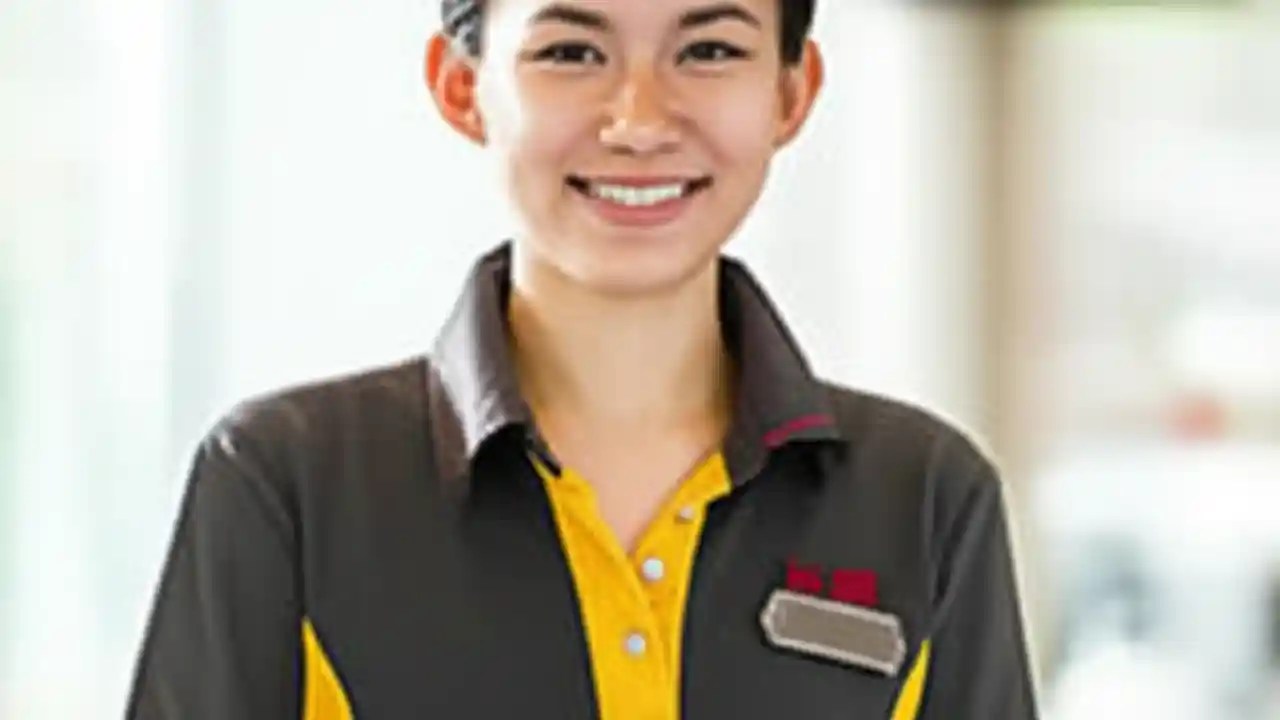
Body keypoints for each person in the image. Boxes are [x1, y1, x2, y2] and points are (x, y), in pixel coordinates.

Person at [127, 0, 1039, 718]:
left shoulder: (924, 498)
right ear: (460, 86)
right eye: (571, 51)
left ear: (791, 95)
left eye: (709, 49)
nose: (639, 122)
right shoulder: (287, 488)